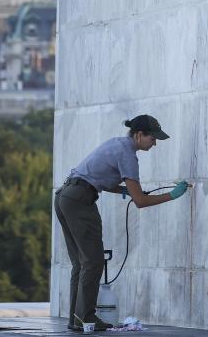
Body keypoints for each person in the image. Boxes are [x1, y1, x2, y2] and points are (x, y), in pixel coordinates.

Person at [55, 114, 190, 332]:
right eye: (152, 138)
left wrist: (121, 189)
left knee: (81, 264)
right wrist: (172, 195)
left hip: (65, 196)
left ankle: (77, 319)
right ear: (139, 135)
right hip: (80, 201)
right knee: (93, 262)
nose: (154, 143)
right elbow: (141, 201)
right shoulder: (128, 155)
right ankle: (85, 318)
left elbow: (97, 177)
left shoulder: (116, 144)